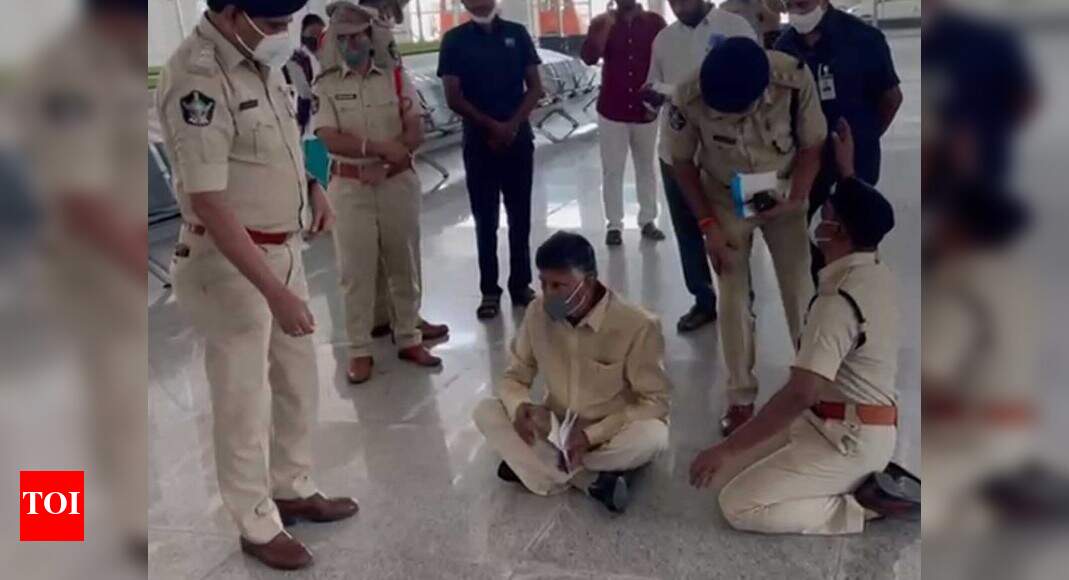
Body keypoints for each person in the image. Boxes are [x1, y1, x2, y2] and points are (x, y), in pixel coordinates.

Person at [156, 0, 357, 570]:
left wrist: (314, 187)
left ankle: (292, 486)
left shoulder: (258, 59)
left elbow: (281, 144)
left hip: (283, 248)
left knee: (297, 380)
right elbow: (209, 202)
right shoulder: (196, 76)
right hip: (228, 264)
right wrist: (275, 291)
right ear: (232, 13)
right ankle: (255, 521)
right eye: (272, 24)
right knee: (244, 398)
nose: (283, 35)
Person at [691, 119, 915, 534]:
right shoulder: (875, 269)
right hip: (831, 420)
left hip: (849, 438)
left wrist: (725, 448)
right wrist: (847, 172)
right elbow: (859, 213)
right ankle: (850, 483)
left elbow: (800, 392)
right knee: (736, 468)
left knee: (737, 504)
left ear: (837, 231)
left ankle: (862, 507)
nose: (819, 217)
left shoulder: (838, 302)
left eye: (826, 214)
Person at [20, 0, 149, 560]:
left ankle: (117, 525)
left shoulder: (111, 63)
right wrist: (135, 260)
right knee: (76, 412)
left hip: (115, 265)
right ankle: (56, 541)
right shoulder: (70, 72)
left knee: (113, 403)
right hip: (89, 272)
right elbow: (76, 195)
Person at [666, 37, 824, 435]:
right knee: (732, 297)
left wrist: (799, 197)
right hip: (725, 195)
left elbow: (812, 144)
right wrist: (708, 227)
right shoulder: (687, 96)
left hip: (782, 192)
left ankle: (814, 390)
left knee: (800, 290)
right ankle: (740, 398)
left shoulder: (793, 78)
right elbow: (682, 163)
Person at [472, 232, 670, 513]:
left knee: (652, 437)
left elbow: (655, 402)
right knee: (486, 411)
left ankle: (537, 465)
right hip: (557, 426)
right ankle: (591, 480)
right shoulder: (537, 312)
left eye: (558, 285)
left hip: (612, 430)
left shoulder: (637, 324)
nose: (548, 294)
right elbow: (514, 376)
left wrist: (591, 435)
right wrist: (521, 408)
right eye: (543, 283)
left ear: (588, 282)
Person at [313, 3, 442, 384]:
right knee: (356, 270)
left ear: (371, 37)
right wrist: (377, 148)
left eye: (358, 36)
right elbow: (328, 135)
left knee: (404, 260)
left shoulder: (396, 78)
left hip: (396, 181)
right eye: (344, 38)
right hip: (349, 187)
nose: (352, 44)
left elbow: (414, 129)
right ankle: (358, 350)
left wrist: (387, 162)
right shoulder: (328, 84)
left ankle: (408, 337)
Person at [642, 0, 757, 333]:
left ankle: (741, 299)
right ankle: (704, 300)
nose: (678, 6)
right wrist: (650, 101)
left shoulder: (735, 28)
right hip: (676, 154)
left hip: (727, 154)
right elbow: (654, 86)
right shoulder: (663, 40)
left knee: (736, 229)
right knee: (688, 231)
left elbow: (755, 85)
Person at [776, 0, 903, 279]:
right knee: (813, 241)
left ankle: (859, 302)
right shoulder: (783, 48)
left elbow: (891, 98)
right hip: (807, 165)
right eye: (788, 3)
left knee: (856, 238)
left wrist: (867, 135)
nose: (795, 8)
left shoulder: (864, 40)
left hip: (856, 162)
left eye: (801, 1)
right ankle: (822, 299)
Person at [438, 0, 545, 320]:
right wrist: (491, 126)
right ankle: (489, 290)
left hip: (517, 139)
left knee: (520, 216)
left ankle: (521, 284)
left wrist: (511, 125)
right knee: (485, 219)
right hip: (479, 142)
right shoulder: (455, 40)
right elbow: (453, 97)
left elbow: (535, 87)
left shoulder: (517, 33)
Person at [580, 0, 666, 247]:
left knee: (646, 167)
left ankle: (648, 220)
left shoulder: (654, 23)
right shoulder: (601, 22)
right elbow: (588, 57)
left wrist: (659, 99)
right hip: (612, 109)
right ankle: (614, 225)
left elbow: (664, 60)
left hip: (645, 108)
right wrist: (603, 30)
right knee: (612, 169)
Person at [285, 13, 325, 137]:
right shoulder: (296, 59)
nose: (315, 38)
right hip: (306, 117)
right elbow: (303, 93)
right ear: (303, 34)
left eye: (319, 35)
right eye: (311, 34)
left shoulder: (329, 56)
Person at [721, 0, 785, 47]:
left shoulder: (759, 4)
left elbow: (774, 24)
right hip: (734, 45)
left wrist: (762, 5)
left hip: (756, 45)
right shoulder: (725, 6)